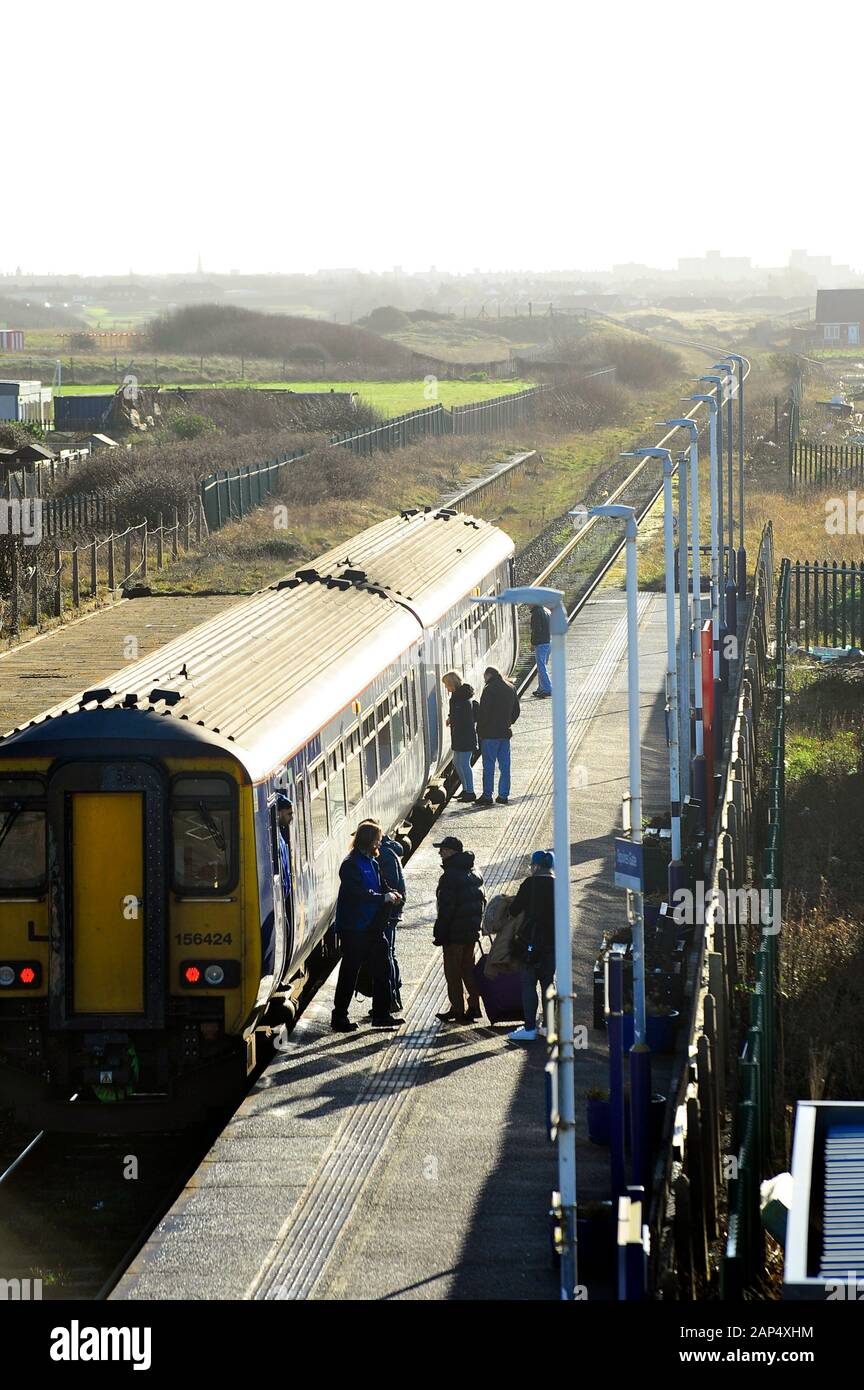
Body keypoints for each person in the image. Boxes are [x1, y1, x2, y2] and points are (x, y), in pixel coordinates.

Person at [331, 822, 403, 1032]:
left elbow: (381, 886)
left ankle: (381, 1014)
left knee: (382, 969)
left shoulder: (372, 861)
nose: (380, 842)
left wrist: (392, 894)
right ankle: (339, 1017)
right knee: (350, 972)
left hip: (372, 927)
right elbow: (357, 894)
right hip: (354, 928)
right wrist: (383, 898)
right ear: (369, 840)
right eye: (378, 838)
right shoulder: (351, 864)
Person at [433, 835, 485, 1022]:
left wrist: (440, 933)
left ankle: (457, 1009)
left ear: (452, 852)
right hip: (470, 932)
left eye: (444, 850)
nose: (440, 853)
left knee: (453, 973)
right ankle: (474, 1006)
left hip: (454, 935)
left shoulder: (449, 877)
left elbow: (447, 909)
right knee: (468, 970)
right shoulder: (474, 871)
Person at [507, 850, 556, 1042]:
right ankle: (548, 1026)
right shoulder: (558, 884)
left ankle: (529, 1027)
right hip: (553, 942)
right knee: (548, 982)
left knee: (529, 983)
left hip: (532, 942)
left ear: (536, 866)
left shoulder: (530, 884)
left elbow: (514, 909)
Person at [365, 820, 405, 1013]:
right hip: (387, 914)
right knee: (388, 955)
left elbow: (389, 886)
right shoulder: (387, 854)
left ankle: (392, 998)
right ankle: (392, 999)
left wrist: (384, 902)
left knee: (387, 956)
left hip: (387, 915)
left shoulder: (385, 857)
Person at [475, 665, 521, 806]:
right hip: (504, 733)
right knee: (505, 766)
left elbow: (484, 713)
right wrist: (508, 722)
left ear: (488, 675)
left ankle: (487, 796)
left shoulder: (489, 690)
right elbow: (516, 711)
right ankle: (503, 795)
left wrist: (480, 730)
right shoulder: (510, 687)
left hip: (489, 735)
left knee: (489, 765)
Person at [442, 670, 479, 802]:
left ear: (452, 684)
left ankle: (470, 792)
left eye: (446, 685)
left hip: (465, 737)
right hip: (459, 736)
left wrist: (453, 718)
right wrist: (450, 717)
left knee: (464, 763)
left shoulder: (461, 699)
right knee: (457, 763)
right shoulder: (458, 697)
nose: (446, 688)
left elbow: (464, 719)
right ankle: (465, 789)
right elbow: (457, 714)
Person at [530, 605, 552, 699]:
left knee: (541, 667)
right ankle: (541, 688)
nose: (527, 605)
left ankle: (548, 689)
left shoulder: (536, 613)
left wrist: (533, 643)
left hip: (541, 644)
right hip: (548, 642)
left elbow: (536, 631)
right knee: (541, 667)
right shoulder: (546, 610)